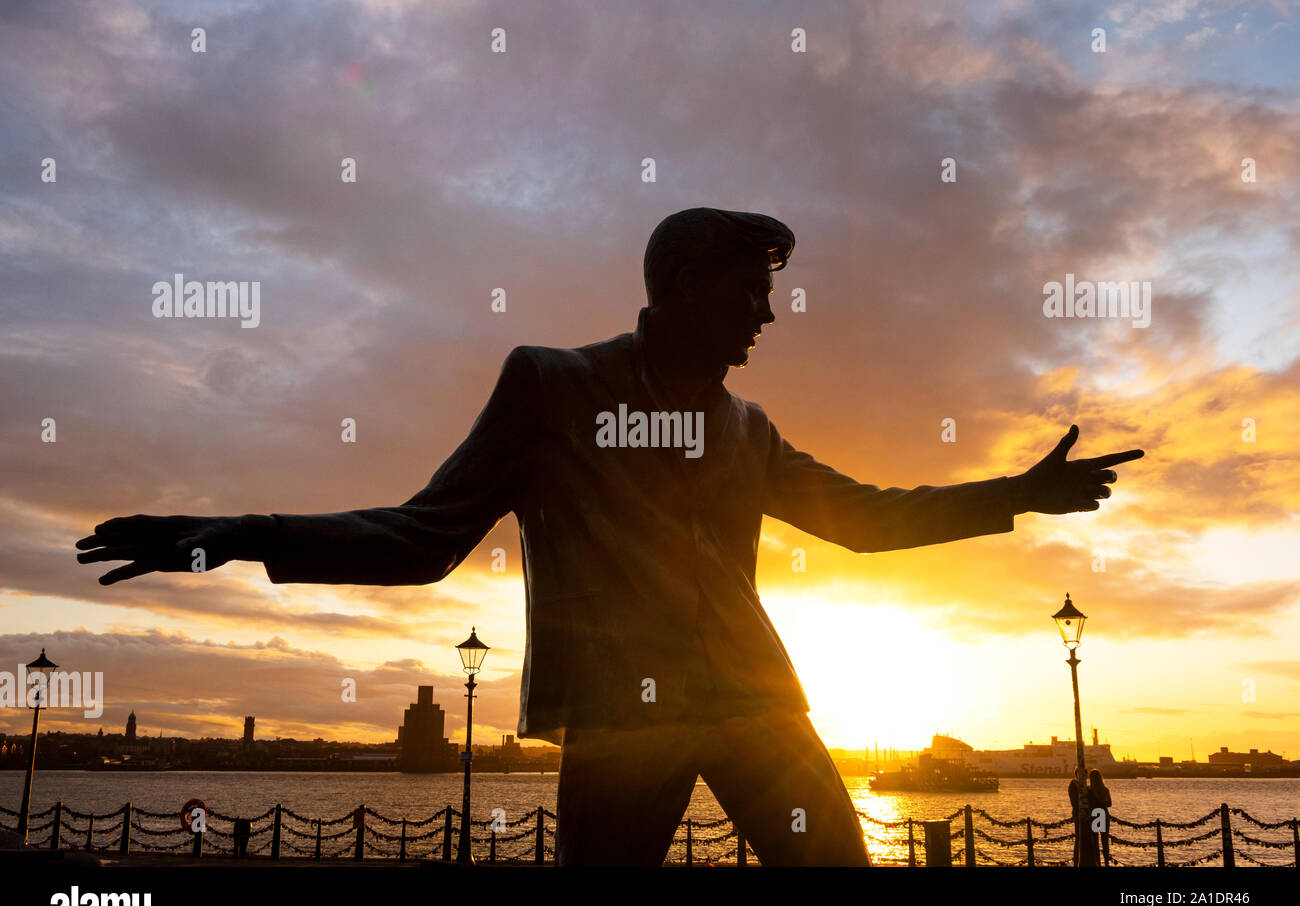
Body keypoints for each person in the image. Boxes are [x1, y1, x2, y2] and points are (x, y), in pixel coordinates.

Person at [76, 207, 1145, 866]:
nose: (767, 317)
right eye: (750, 291)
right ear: (682, 287)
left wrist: (1013, 492)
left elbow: (863, 518)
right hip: (622, 722)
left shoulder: (749, 427)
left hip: (759, 705)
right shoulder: (552, 383)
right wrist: (238, 534)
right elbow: (421, 536)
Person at [1068, 765, 1100, 867]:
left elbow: (1095, 801)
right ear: (1077, 775)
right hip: (1081, 815)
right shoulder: (1074, 785)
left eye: (1085, 774)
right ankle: (1077, 861)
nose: (1085, 776)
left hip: (1093, 816)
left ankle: (1095, 861)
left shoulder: (1088, 788)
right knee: (1079, 838)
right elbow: (1074, 802)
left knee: (1093, 838)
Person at [1089, 768, 1113, 866]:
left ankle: (1097, 862)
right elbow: (1110, 803)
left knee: (1095, 840)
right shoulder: (1105, 789)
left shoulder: (1090, 790)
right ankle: (1106, 862)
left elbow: (1089, 803)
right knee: (1104, 840)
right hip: (1103, 813)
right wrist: (1103, 803)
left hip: (1095, 814)